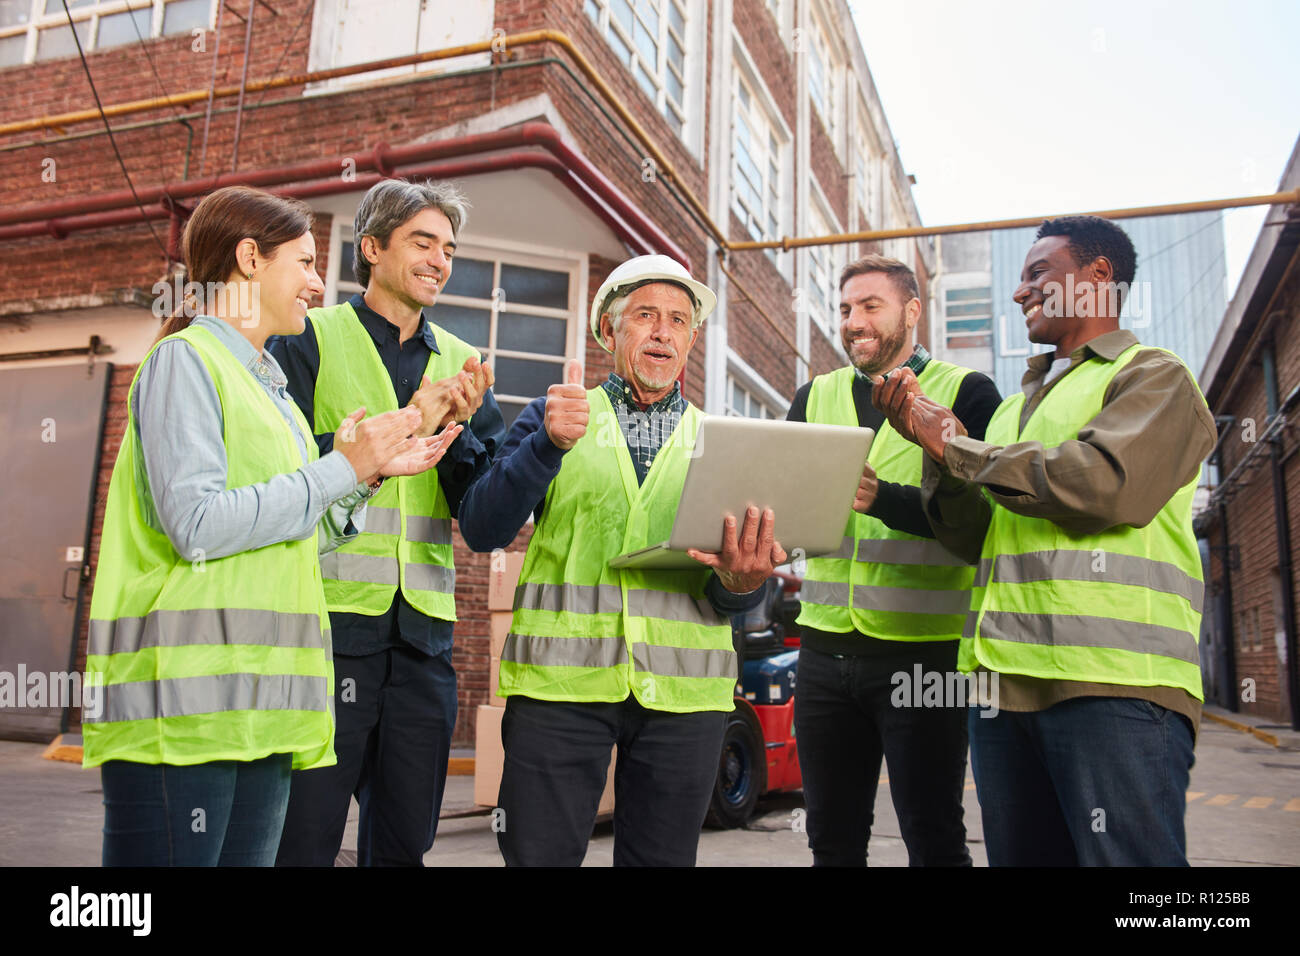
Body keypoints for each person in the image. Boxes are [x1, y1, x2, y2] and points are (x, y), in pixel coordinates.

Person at [84, 185, 459, 866]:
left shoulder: (271, 389)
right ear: (250, 259)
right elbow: (196, 524)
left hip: (262, 711)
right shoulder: (186, 361)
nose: (319, 283)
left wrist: (366, 476)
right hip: (185, 708)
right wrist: (338, 469)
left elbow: (291, 530)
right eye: (307, 262)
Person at [872, 215, 1216, 866]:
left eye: (1038, 274)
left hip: (1114, 689)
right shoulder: (1010, 410)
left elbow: (1102, 486)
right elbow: (972, 536)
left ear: (1097, 279)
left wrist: (957, 446)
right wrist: (939, 456)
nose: (1019, 292)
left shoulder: (1153, 377)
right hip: (1004, 691)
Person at [458, 254, 783, 866]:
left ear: (691, 338)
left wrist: (742, 585)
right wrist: (546, 446)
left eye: (679, 320)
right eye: (646, 316)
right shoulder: (555, 417)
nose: (663, 331)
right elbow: (482, 528)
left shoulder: (724, 444)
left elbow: (729, 592)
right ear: (608, 332)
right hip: (560, 689)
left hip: (685, 700)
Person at [271, 178, 506, 867]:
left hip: (423, 647)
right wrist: (405, 427)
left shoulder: (463, 365)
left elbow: (480, 513)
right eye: (422, 242)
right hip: (325, 633)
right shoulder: (308, 339)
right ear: (371, 248)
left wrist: (461, 429)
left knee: (404, 844)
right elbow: (281, 475)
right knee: (301, 841)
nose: (440, 259)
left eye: (450, 249)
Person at [787, 254, 1001, 866]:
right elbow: (789, 507)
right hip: (825, 653)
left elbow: (985, 524)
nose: (854, 322)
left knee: (932, 836)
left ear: (911, 311)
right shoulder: (816, 395)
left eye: (870, 307)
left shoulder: (968, 393)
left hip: (924, 654)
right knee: (831, 840)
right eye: (846, 309)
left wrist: (885, 499)